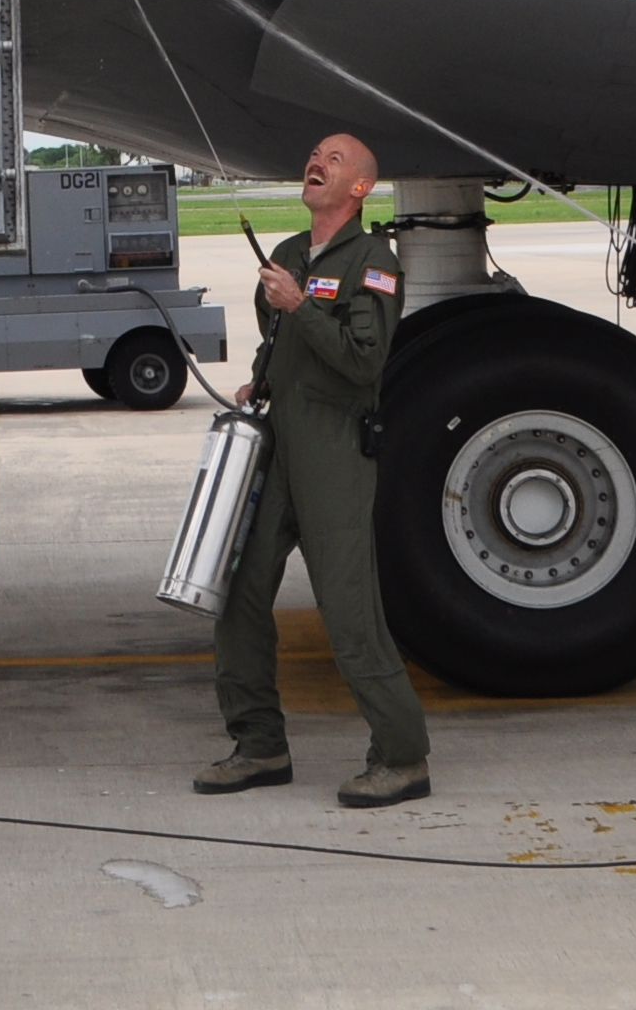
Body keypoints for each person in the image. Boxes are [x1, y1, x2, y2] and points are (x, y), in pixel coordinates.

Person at [200, 132, 431, 807]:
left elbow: (363, 363)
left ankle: (402, 756)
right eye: (315, 155)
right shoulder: (288, 255)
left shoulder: (375, 262)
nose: (317, 162)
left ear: (360, 188)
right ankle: (259, 745)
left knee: (350, 613)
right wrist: (257, 380)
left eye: (335, 159)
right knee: (237, 594)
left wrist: (301, 306)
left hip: (333, 452)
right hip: (279, 444)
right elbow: (279, 342)